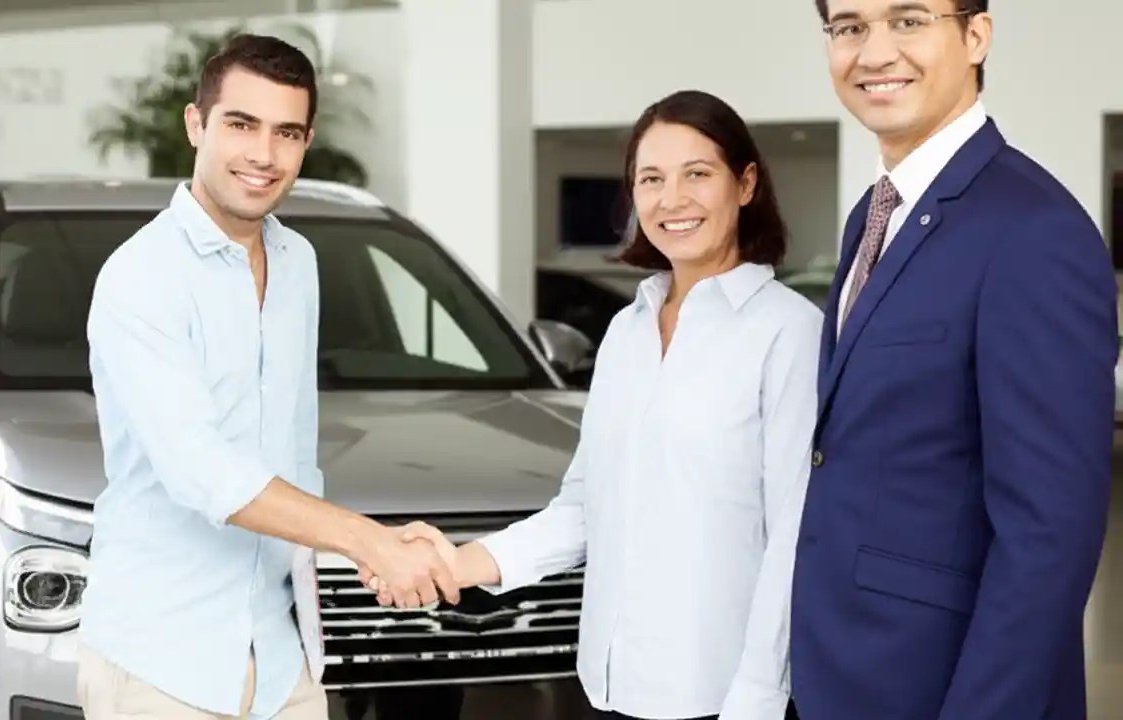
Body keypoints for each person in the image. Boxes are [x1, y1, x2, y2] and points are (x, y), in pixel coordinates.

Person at [384, 90, 820, 720]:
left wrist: (755, 702)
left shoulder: (788, 332)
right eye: (651, 179)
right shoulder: (627, 332)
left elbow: (794, 539)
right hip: (615, 688)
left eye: (698, 174)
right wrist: (460, 562)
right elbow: (586, 508)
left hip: (724, 697)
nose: (672, 200)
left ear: (746, 183)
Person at [78, 34, 458, 720]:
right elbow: (203, 471)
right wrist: (370, 540)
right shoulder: (140, 277)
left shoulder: (298, 262)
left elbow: (294, 453)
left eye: (286, 132)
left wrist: (362, 558)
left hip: (280, 657)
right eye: (241, 125)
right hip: (163, 662)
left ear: (307, 140)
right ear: (196, 125)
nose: (263, 154)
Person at [790, 2, 1118, 719]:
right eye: (848, 27)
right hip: (846, 673)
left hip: (947, 686)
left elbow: (1048, 536)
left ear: (976, 36)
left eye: (908, 20)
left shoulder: (1034, 231)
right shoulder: (874, 216)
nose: (873, 52)